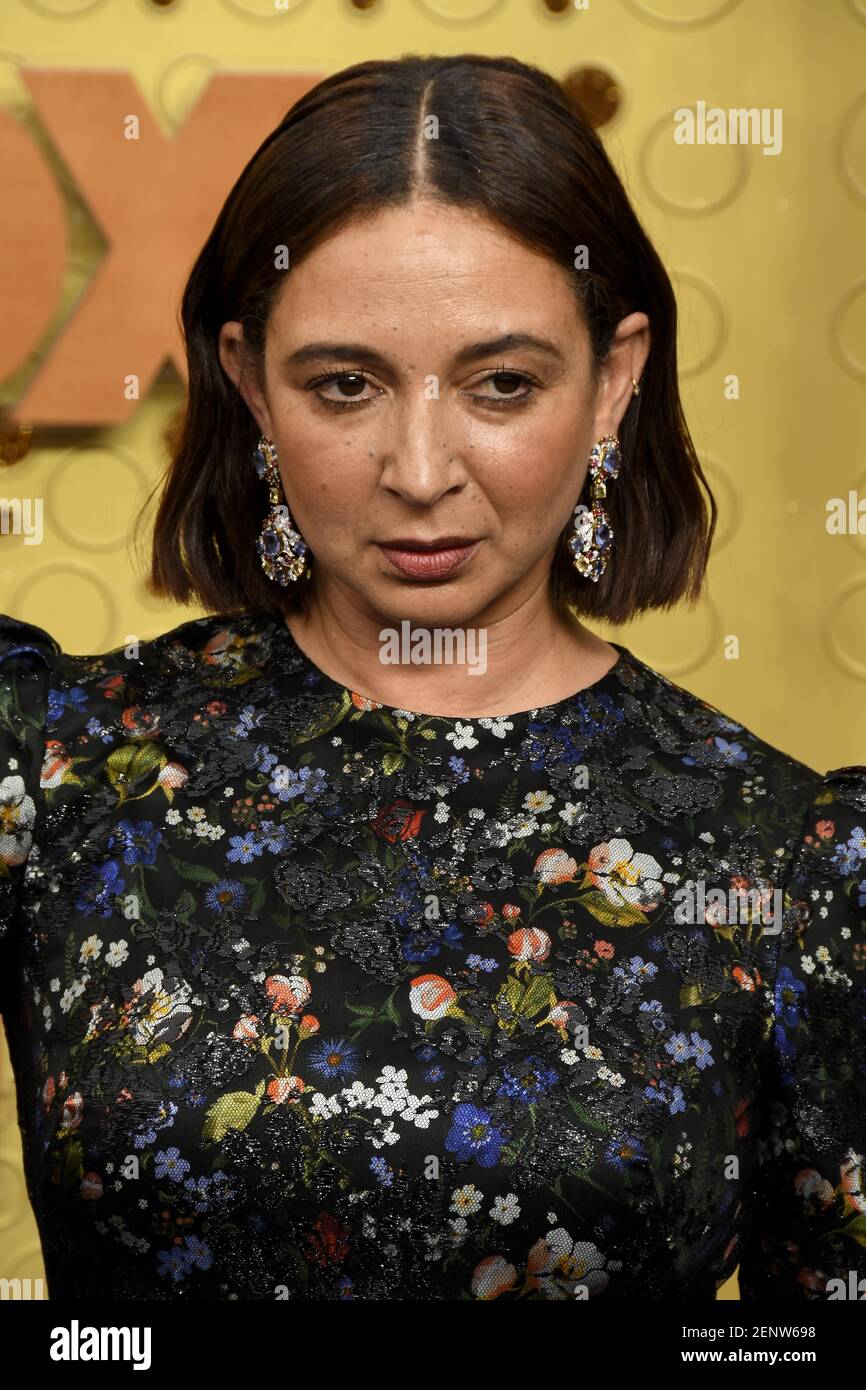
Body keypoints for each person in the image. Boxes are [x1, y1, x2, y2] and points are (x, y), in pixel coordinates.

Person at [1, 53, 864, 1302]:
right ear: (247, 383)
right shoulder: (58, 762)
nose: (418, 467)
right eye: (343, 384)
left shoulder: (787, 863)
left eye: (500, 384)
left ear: (612, 380)